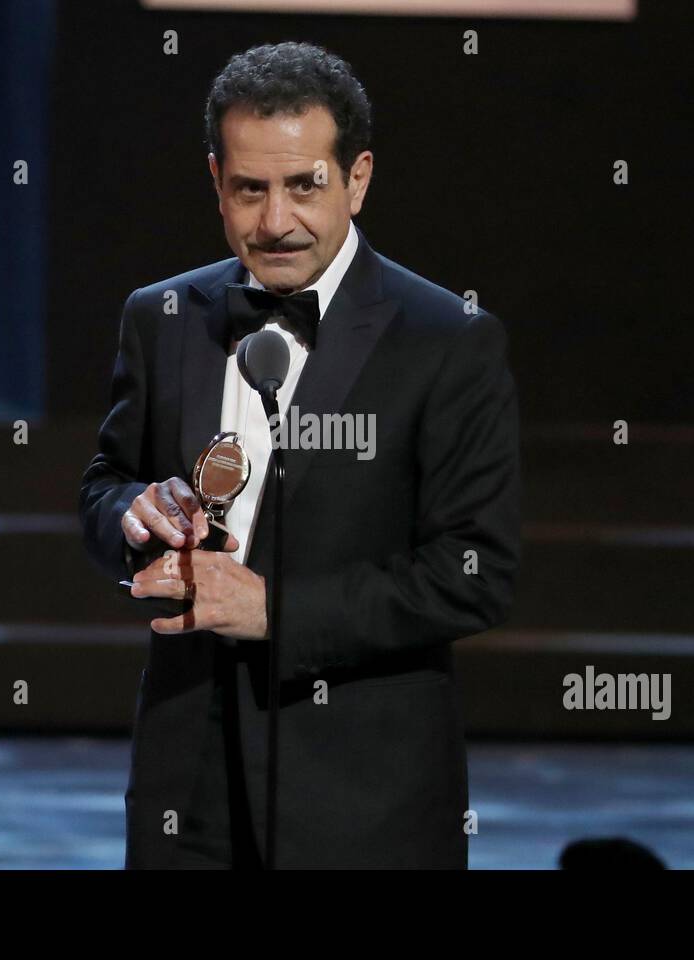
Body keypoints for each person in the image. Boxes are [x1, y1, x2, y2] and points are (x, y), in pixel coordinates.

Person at [80, 41, 520, 869]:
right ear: (216, 181)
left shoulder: (447, 342)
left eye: (303, 186)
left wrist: (273, 610)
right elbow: (106, 483)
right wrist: (131, 517)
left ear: (356, 178)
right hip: (188, 784)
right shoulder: (162, 316)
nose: (275, 221)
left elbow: (475, 571)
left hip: (363, 797)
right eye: (249, 189)